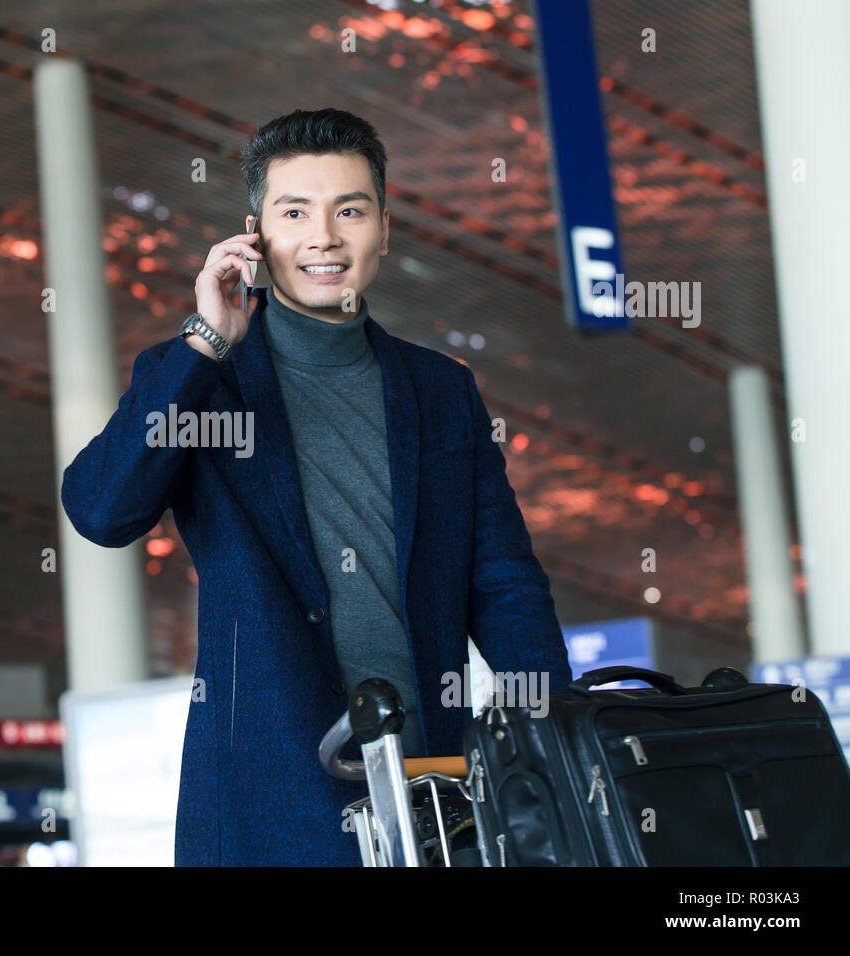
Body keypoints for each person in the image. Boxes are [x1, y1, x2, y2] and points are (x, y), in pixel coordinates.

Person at [61, 108, 572, 866]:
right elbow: (101, 510)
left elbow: (503, 584)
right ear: (255, 233)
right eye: (294, 211)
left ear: (384, 230)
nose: (324, 237)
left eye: (350, 210)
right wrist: (203, 343)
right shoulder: (202, 380)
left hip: (439, 790)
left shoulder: (440, 391)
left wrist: (558, 736)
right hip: (273, 792)